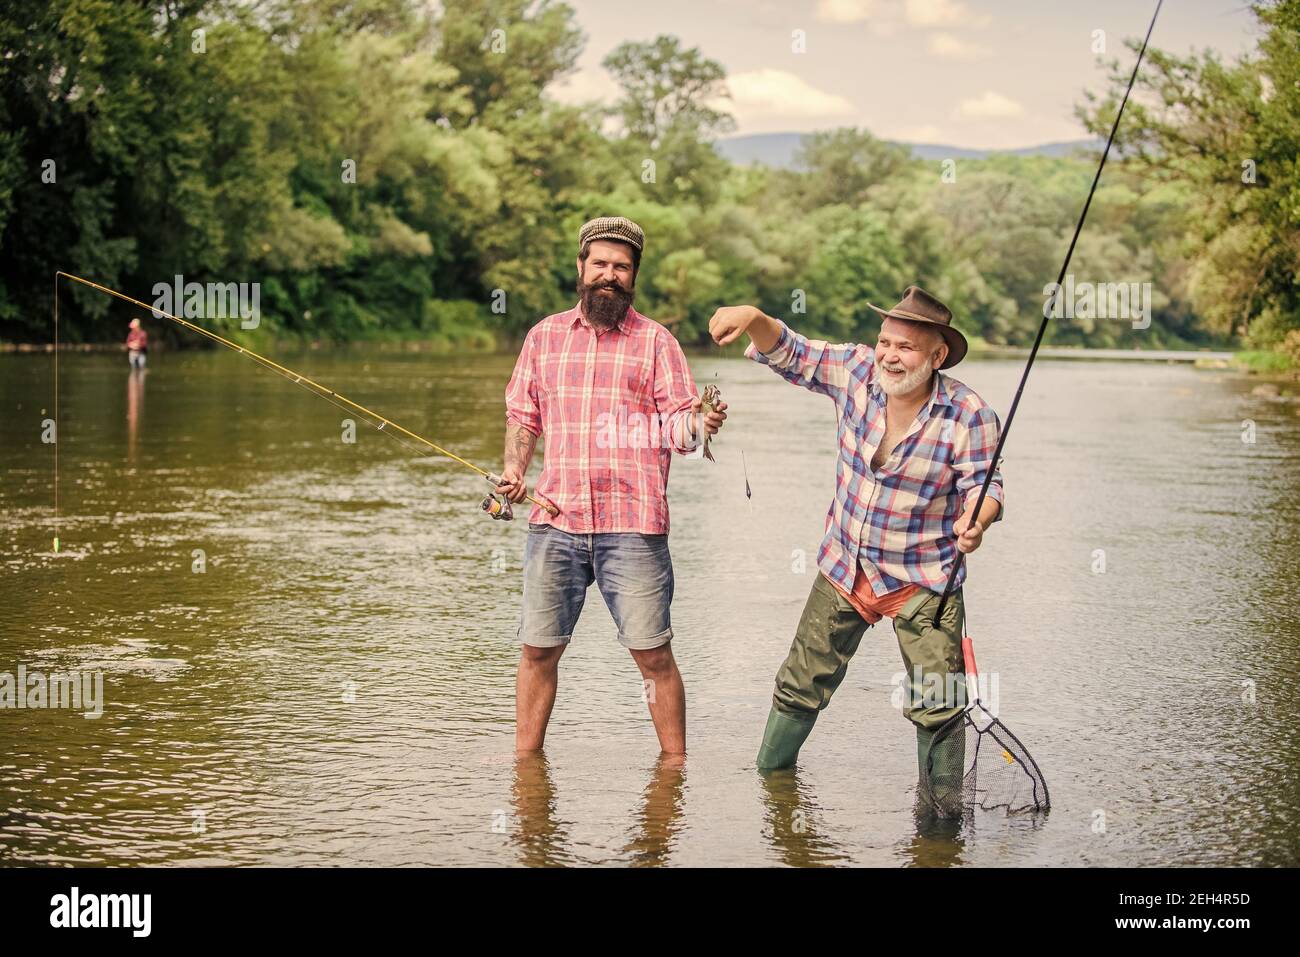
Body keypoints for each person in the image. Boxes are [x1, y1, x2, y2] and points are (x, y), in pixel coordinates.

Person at [707, 286, 1004, 782]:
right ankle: (771, 786)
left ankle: (939, 830)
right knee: (799, 684)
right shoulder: (856, 370)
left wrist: (979, 517)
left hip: (924, 580)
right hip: (846, 564)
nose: (890, 355)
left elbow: (986, 485)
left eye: (906, 347)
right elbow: (792, 351)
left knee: (939, 706)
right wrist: (754, 315)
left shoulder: (969, 414)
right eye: (885, 341)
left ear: (938, 355)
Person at [498, 216, 727, 755]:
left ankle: (674, 766)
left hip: (635, 526)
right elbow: (522, 415)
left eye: (621, 267)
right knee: (537, 650)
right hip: (556, 518)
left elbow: (678, 425)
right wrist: (514, 470)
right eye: (600, 264)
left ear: (634, 277)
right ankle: (525, 764)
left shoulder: (657, 343)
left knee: (653, 654)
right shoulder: (543, 337)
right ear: (581, 268)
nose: (609, 275)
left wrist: (698, 423)